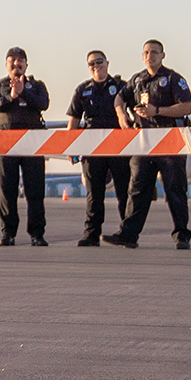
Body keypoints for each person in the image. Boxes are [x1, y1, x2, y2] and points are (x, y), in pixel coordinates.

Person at [104, 39, 191, 249]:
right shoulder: (137, 80)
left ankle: (182, 235)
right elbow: (119, 98)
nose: (150, 56)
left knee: (175, 189)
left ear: (163, 55)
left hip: (169, 140)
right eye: (146, 52)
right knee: (137, 189)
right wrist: (121, 116)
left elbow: (186, 107)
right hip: (144, 141)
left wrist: (158, 111)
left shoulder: (173, 79)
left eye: (154, 52)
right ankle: (128, 234)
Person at [0, 47, 50, 245]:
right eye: (12, 61)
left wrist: (24, 94)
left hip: (32, 143)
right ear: (6, 65)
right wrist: (11, 96)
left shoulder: (37, 85)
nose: (16, 64)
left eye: (20, 61)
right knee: (8, 190)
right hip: (6, 143)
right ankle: (8, 233)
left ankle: (37, 234)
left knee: (35, 190)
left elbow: (43, 103)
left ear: (26, 65)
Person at [66, 50, 129, 246]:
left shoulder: (121, 87)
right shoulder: (82, 90)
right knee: (94, 194)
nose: (96, 66)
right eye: (91, 63)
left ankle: (127, 234)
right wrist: (71, 147)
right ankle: (91, 235)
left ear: (107, 63)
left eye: (99, 61)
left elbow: (136, 111)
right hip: (92, 148)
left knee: (124, 192)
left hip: (119, 146)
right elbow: (74, 121)